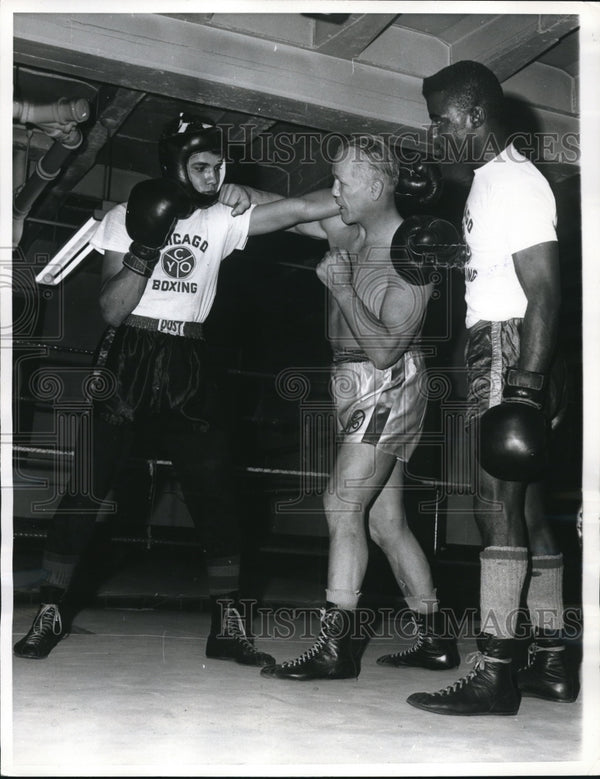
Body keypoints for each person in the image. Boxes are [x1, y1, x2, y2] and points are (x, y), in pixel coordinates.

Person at [13, 113, 339, 666]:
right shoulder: (121, 216)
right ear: (174, 166)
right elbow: (113, 309)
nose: (213, 176)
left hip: (189, 359)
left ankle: (228, 625)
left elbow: (305, 209)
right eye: (202, 167)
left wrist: (382, 189)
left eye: (219, 166)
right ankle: (51, 608)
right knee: (88, 486)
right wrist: (147, 240)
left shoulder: (219, 219)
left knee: (215, 492)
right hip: (129, 356)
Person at [256, 134, 464, 680]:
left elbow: (387, 347)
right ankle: (437, 639)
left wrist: (344, 289)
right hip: (353, 382)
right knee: (386, 522)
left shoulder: (412, 249)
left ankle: (336, 648)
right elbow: (295, 215)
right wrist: (235, 195)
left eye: (343, 182)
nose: (334, 190)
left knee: (341, 504)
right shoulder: (352, 229)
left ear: (376, 185)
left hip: (387, 379)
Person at [406, 60, 578, 715]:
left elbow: (545, 293)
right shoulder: (485, 183)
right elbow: (498, 281)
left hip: (510, 349)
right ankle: (555, 660)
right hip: (495, 345)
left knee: (494, 505)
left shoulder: (516, 182)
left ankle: (496, 668)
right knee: (528, 510)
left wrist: (528, 387)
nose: (437, 134)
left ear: (475, 116)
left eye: (443, 121)